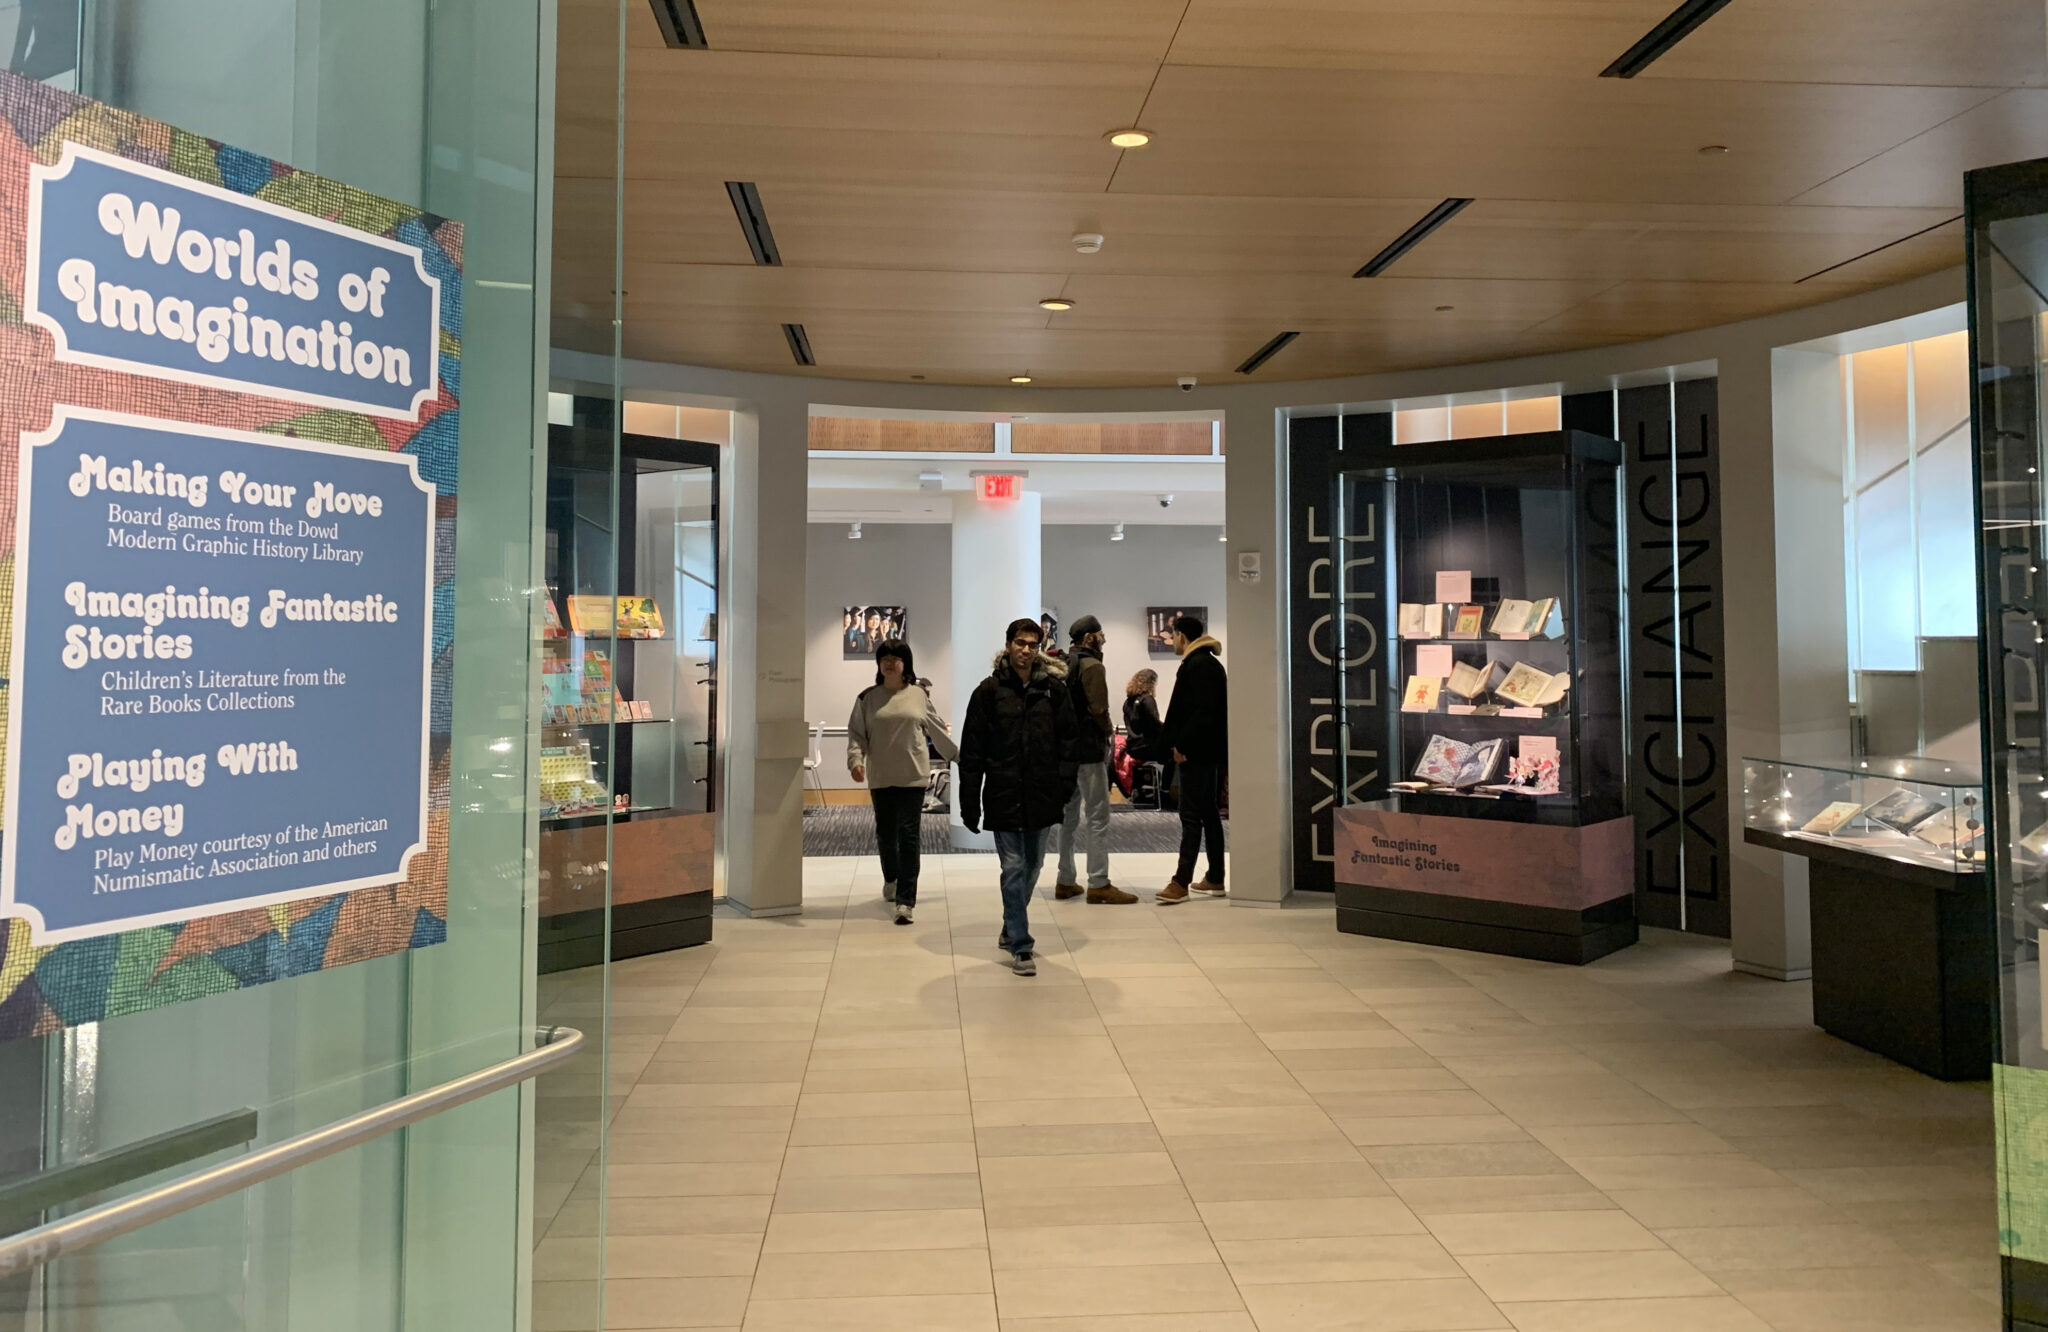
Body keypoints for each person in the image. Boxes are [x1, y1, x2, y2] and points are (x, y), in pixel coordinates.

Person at [958, 618, 1082, 976]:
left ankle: (1011, 923)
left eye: (1032, 644)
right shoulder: (988, 692)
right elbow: (972, 751)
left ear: (1039, 647)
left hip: (1042, 794)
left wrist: (1064, 787)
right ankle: (1021, 944)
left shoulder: (1054, 692)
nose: (1025, 650)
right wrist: (969, 802)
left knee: (1032, 866)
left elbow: (1068, 743)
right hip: (1003, 791)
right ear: (1008, 645)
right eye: (1019, 643)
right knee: (1012, 867)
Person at [847, 640, 957, 925]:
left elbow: (936, 727)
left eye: (896, 659)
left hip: (913, 775)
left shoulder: (918, 694)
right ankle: (891, 879)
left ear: (906, 664)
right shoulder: (867, 698)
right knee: (886, 833)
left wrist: (958, 756)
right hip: (881, 776)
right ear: (878, 663)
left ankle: (906, 900)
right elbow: (857, 735)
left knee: (908, 835)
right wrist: (855, 762)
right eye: (885, 658)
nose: (890, 663)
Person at [1055, 616, 1137, 904]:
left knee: (1067, 818)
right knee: (1098, 816)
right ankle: (1098, 882)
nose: (1104, 639)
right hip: (1088, 751)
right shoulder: (1093, 666)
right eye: (1101, 635)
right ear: (1089, 637)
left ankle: (1065, 879)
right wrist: (1107, 735)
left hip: (1066, 752)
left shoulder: (1064, 664)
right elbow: (1099, 708)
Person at [1156, 614, 1227, 904]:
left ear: (1182, 636)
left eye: (1173, 635)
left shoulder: (1196, 666)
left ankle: (1181, 882)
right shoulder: (1209, 664)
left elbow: (1200, 712)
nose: (1171, 640)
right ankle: (1215, 877)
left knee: (1191, 816)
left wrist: (1181, 745)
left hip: (1196, 753)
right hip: (1209, 752)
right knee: (1208, 813)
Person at [1122, 668, 1173, 807]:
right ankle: (1164, 793)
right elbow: (1155, 724)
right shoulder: (1148, 700)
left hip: (1132, 747)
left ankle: (1142, 791)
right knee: (1172, 757)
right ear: (1150, 683)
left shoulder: (1128, 702)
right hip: (1147, 746)